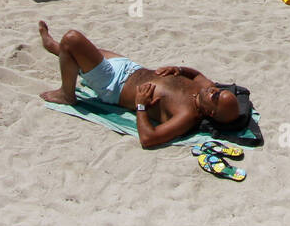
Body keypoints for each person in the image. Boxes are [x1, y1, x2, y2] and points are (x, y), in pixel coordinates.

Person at [37, 25, 242, 148]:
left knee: (72, 39)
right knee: (86, 51)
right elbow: (196, 74)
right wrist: (178, 69)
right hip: (130, 67)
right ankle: (56, 48)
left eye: (216, 97)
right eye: (220, 90)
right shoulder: (205, 88)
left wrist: (141, 106)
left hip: (113, 84)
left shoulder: (186, 115)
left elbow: (148, 138)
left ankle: (67, 94)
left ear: (210, 112)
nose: (215, 90)